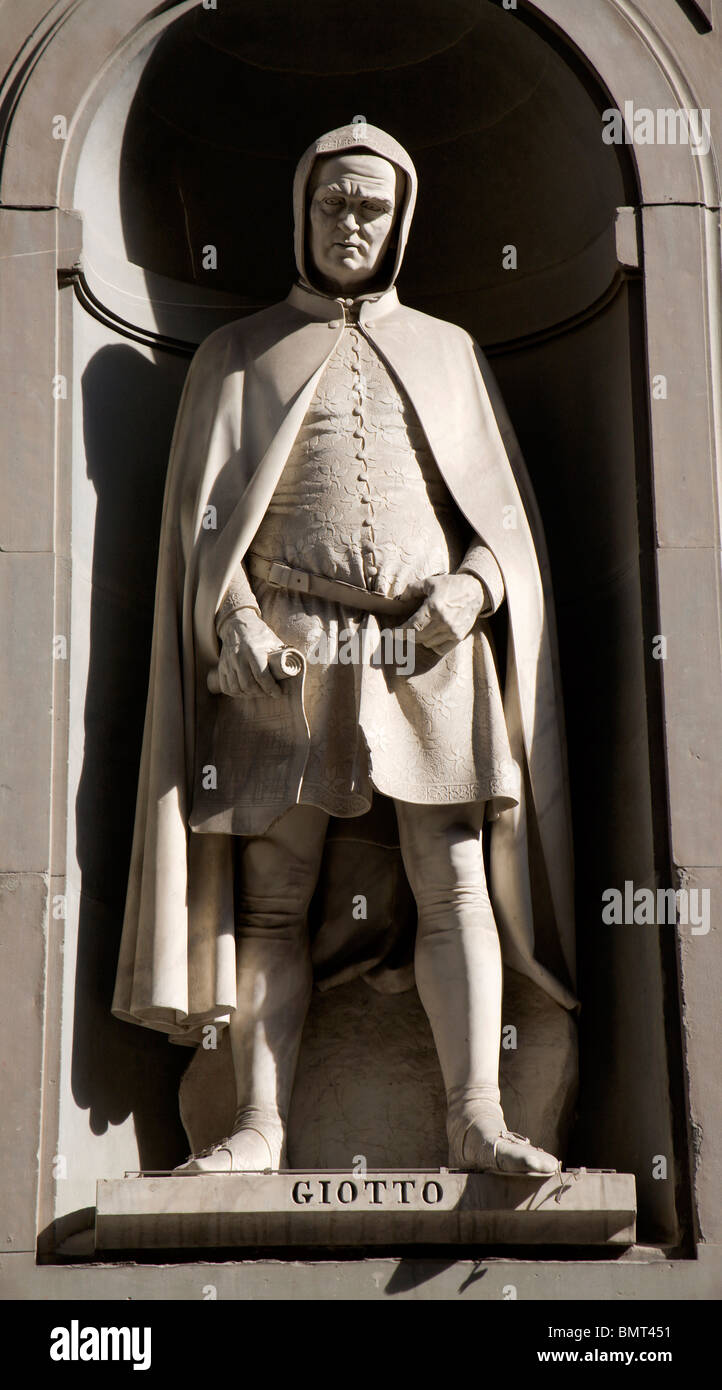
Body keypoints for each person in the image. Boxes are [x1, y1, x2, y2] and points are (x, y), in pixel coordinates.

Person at [113, 122, 577, 1176]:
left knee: (454, 874)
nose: (352, 222)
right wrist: (230, 622)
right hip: (288, 638)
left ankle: (475, 1115)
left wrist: (472, 588)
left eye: (371, 205)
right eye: (334, 204)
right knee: (273, 890)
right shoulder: (237, 351)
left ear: (400, 218)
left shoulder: (450, 349)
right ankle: (260, 1125)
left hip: (427, 643)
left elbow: (504, 524)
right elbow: (202, 524)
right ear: (301, 214)